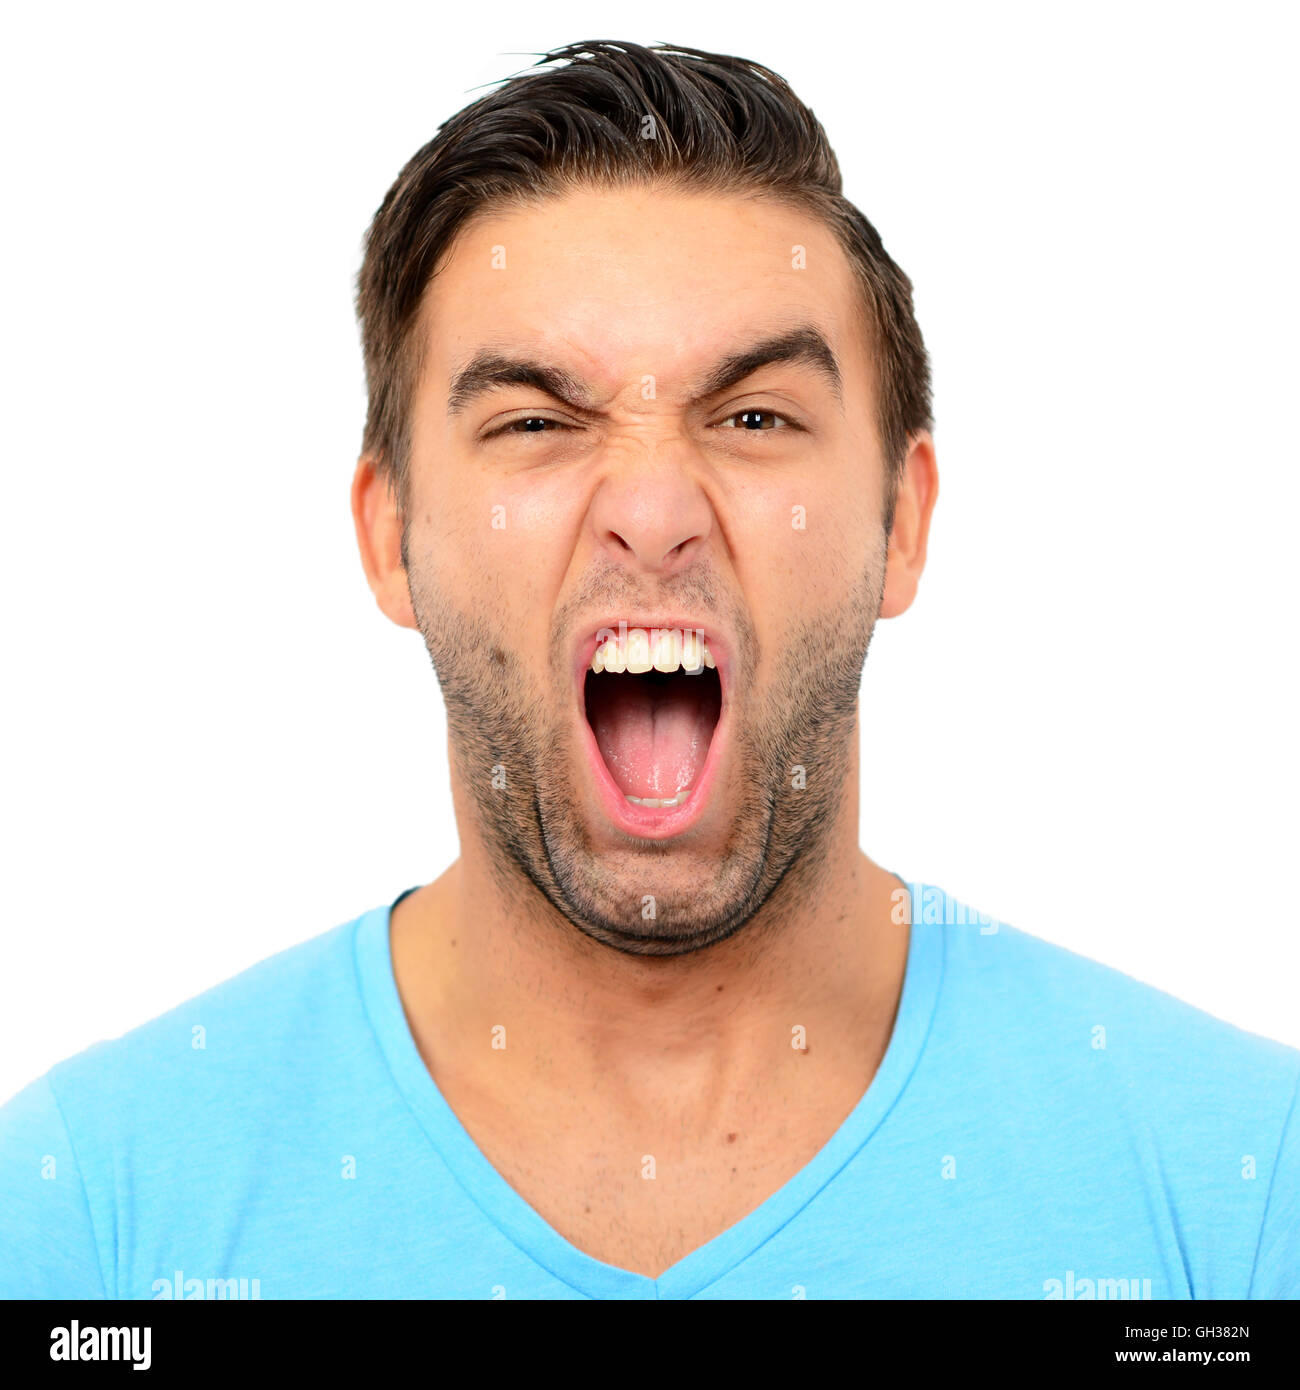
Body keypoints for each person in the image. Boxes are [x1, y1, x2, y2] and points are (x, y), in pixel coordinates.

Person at [1, 40, 1295, 1300]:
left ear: (903, 521)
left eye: (751, 417)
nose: (656, 508)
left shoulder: (1244, 1200)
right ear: (389, 537)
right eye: (537, 423)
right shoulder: (87, 1218)